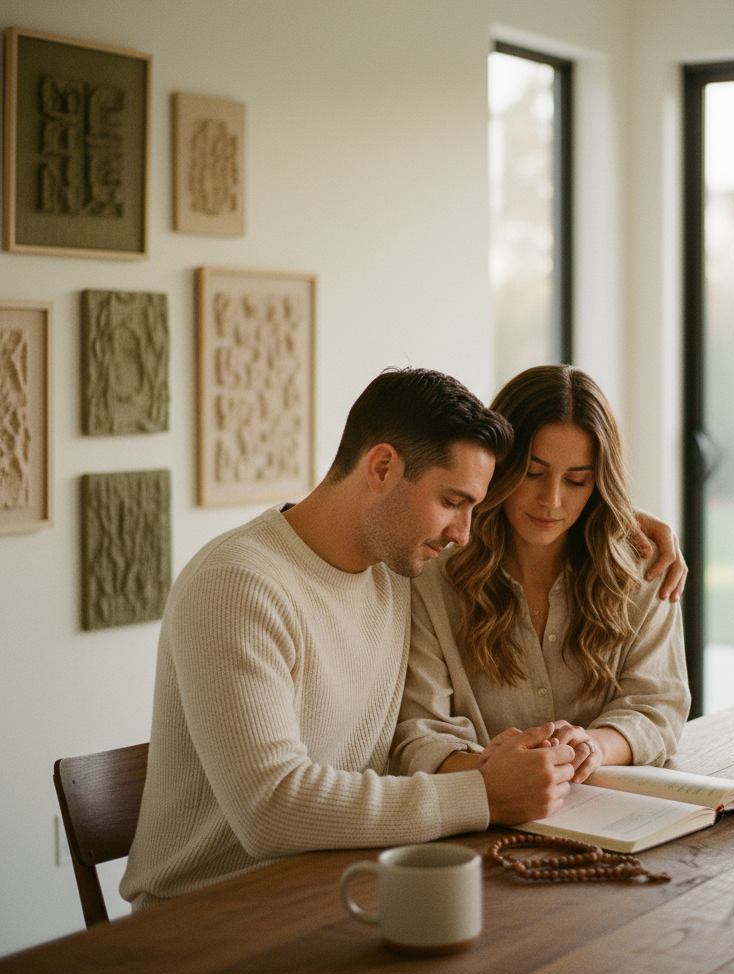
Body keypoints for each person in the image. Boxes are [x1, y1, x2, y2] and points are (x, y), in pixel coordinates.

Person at [122, 367, 683, 910]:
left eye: (474, 505)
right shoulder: (237, 585)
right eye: (453, 502)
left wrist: (615, 517)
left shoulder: (393, 570)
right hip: (214, 915)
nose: (463, 532)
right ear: (383, 467)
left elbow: (531, 516)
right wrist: (484, 793)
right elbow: (272, 810)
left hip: (341, 884)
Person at [391, 365, 690, 787]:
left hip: (609, 816)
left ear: (599, 483)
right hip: (476, 823)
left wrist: (591, 747)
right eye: (533, 473)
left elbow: (657, 708)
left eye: (576, 480)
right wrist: (503, 777)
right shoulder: (433, 576)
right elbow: (420, 735)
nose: (551, 501)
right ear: (498, 466)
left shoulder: (644, 568)